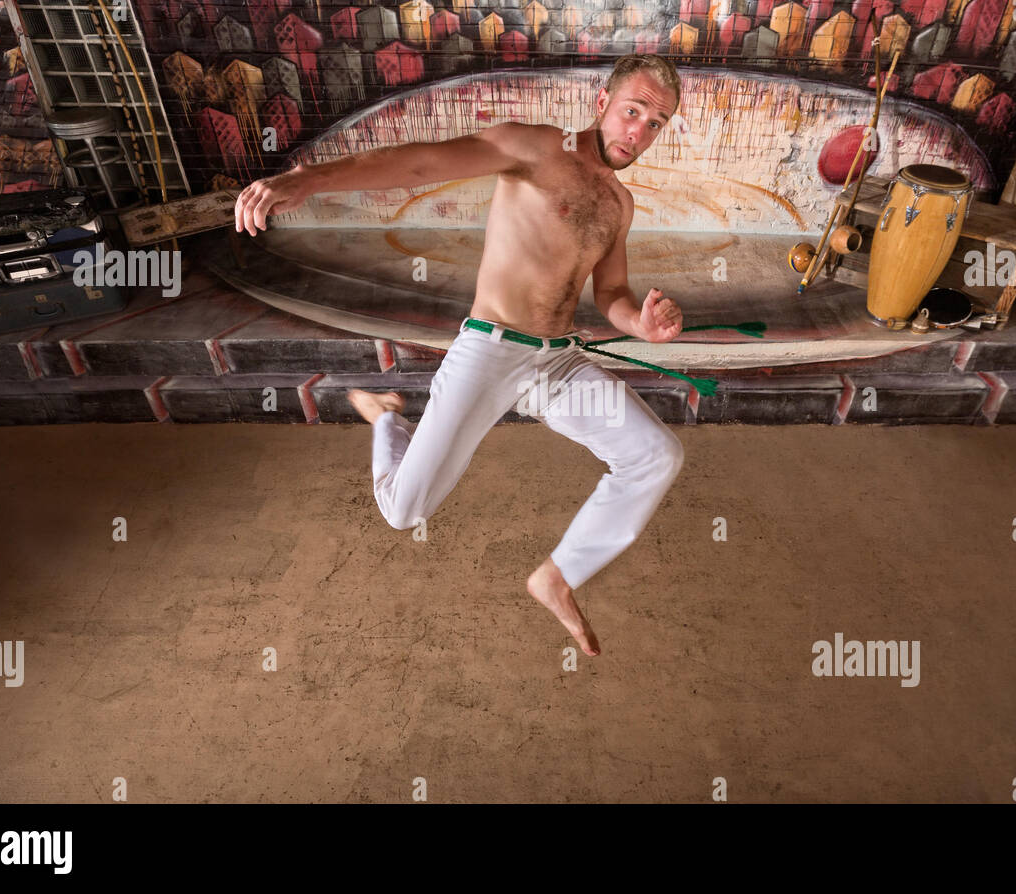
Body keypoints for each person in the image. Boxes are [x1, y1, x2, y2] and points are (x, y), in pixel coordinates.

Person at [234, 54, 687, 657]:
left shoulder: (619, 204)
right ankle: (387, 418)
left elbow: (610, 292)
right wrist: (306, 179)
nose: (639, 132)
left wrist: (642, 323)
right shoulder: (531, 148)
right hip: (492, 349)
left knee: (656, 455)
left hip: (557, 364)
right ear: (601, 103)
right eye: (633, 111)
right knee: (403, 510)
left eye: (656, 123)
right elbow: (420, 160)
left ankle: (555, 577)